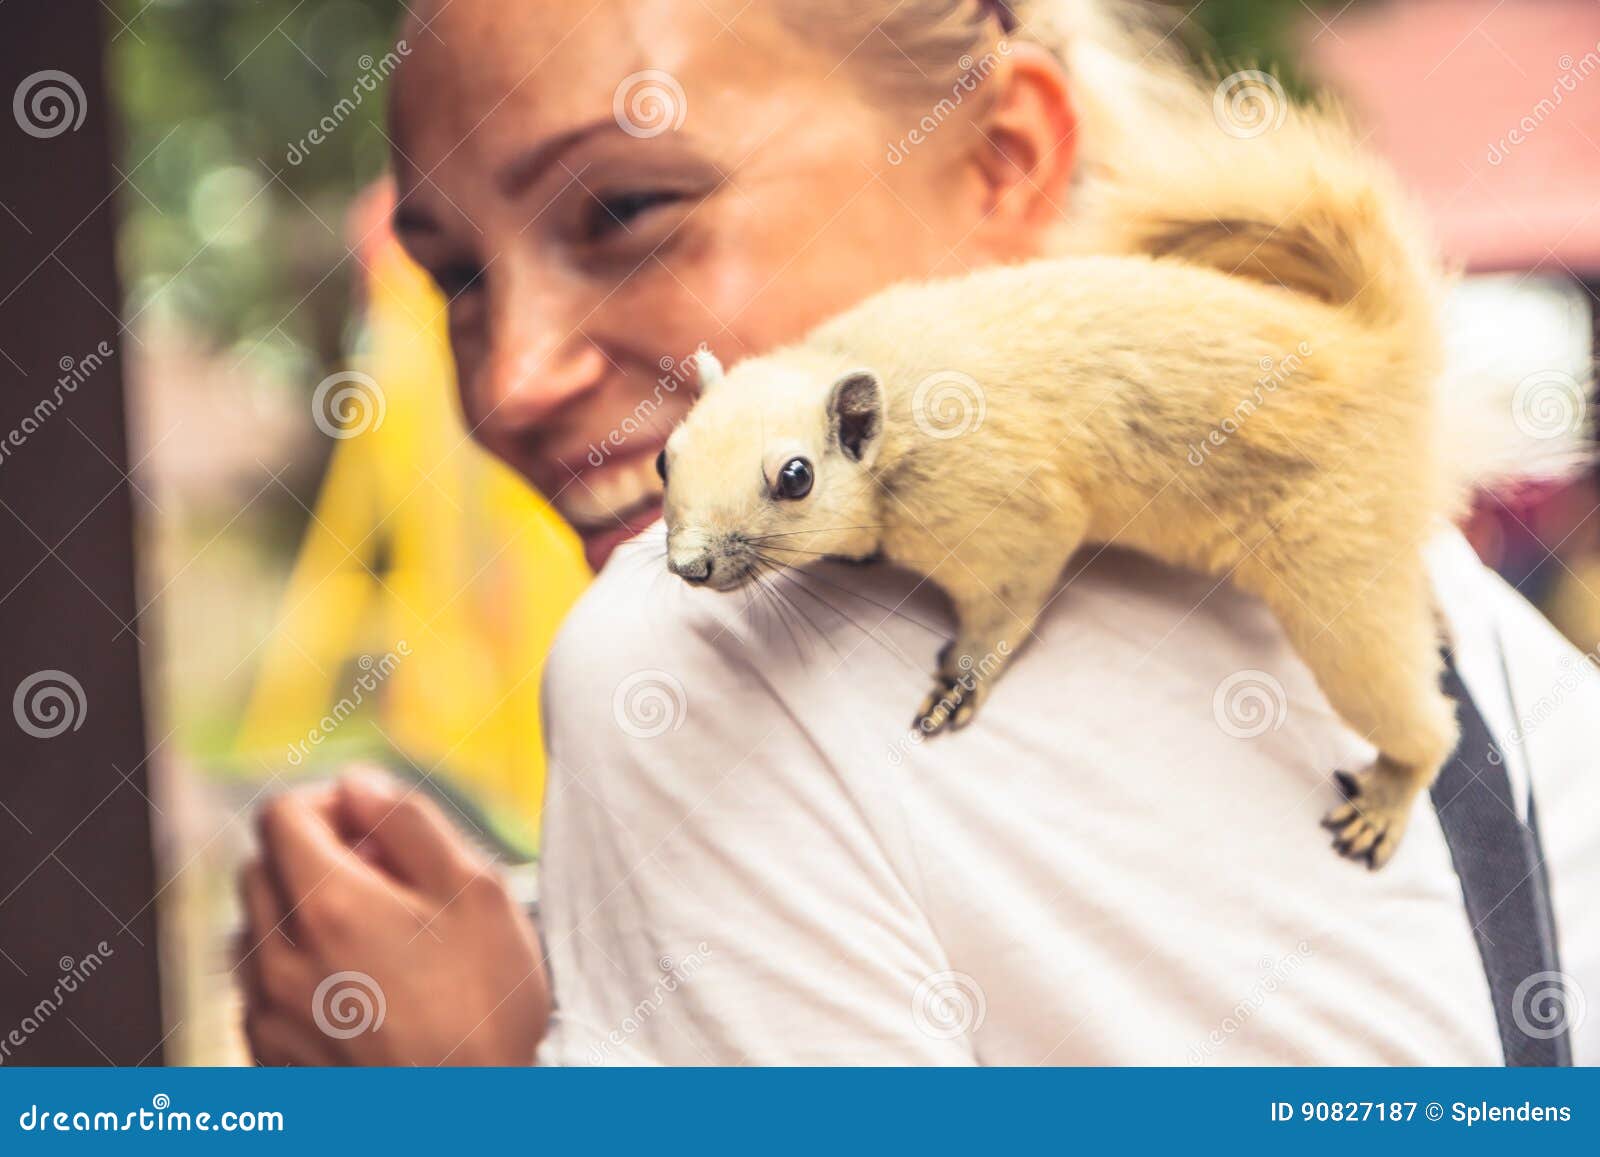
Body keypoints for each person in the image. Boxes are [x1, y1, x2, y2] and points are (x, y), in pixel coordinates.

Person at [239, 0, 1600, 1065]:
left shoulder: (691, 660)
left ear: (1005, 158)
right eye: (456, 277)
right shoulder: (1435, 599)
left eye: (627, 211)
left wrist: (469, 1082)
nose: (507, 376)